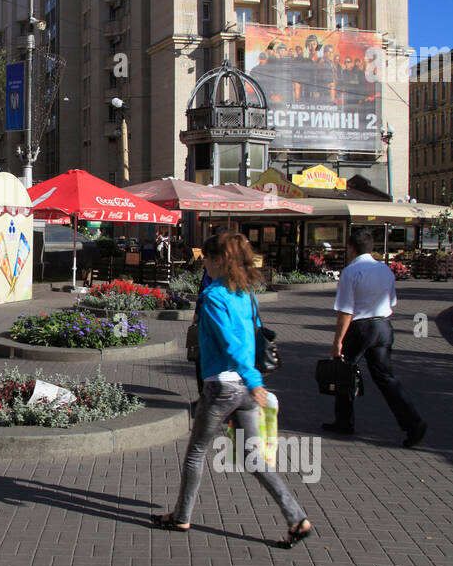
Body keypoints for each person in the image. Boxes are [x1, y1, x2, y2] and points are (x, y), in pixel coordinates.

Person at [154, 231, 312, 548]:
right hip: (243, 387)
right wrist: (253, 381)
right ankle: (296, 517)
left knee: (196, 453)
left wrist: (253, 381)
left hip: (223, 386)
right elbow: (251, 340)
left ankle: (181, 516)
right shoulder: (246, 295)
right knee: (253, 458)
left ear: (216, 260)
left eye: (206, 261)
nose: (204, 268)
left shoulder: (213, 296)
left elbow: (232, 343)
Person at [323, 227, 427, 447]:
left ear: (351, 248)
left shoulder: (351, 272)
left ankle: (344, 422)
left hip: (360, 327)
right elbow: (392, 302)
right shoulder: (385, 270)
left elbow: (346, 311)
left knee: (345, 372)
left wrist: (337, 342)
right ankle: (413, 422)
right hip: (383, 326)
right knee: (385, 377)